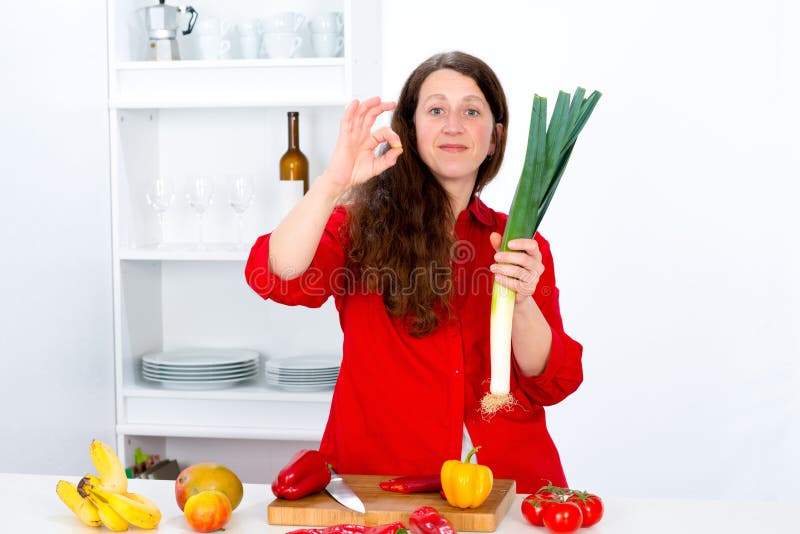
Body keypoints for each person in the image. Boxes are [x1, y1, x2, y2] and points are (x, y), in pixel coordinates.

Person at [245, 51, 583, 493]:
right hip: (383, 482)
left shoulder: (517, 242)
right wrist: (334, 183)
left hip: (507, 485)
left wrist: (521, 303)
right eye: (437, 109)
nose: (454, 125)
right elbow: (281, 275)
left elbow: (548, 383)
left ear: (494, 138)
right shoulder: (357, 227)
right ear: (412, 129)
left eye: (472, 111)